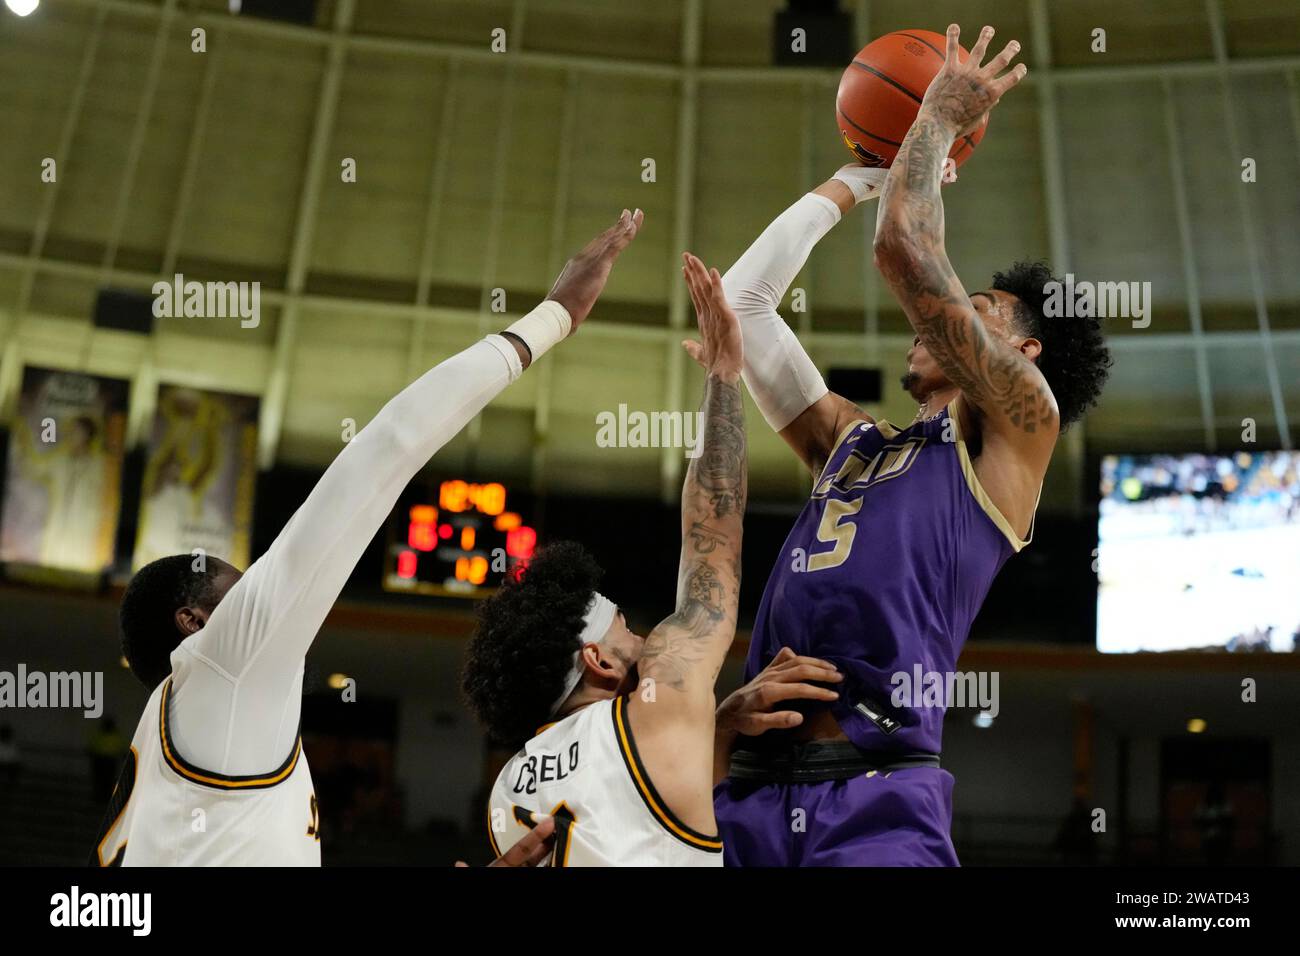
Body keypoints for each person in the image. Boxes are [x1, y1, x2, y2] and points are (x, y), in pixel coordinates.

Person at [90, 209, 643, 866]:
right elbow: (384, 450)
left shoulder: (181, 734)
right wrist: (551, 320)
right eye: (230, 578)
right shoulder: (225, 660)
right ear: (194, 618)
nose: (255, 582)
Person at [712, 24, 1112, 866]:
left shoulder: (1019, 425)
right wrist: (855, 179)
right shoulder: (850, 442)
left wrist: (931, 122)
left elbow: (904, 249)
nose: (948, 310)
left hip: (877, 797)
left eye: (979, 308)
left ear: (1023, 355)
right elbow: (741, 304)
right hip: (749, 785)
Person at [462, 254, 749, 866]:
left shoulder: (504, 796)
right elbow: (713, 535)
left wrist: (719, 730)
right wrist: (724, 378)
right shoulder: (660, 702)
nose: (644, 636)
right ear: (596, 659)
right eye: (623, 626)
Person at [87, 716, 128, 804]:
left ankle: (101, 799)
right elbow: (122, 749)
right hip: (107, 762)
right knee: (105, 781)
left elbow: (91, 748)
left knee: (103, 781)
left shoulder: (100, 735)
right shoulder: (113, 735)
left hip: (102, 762)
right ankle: (103, 799)